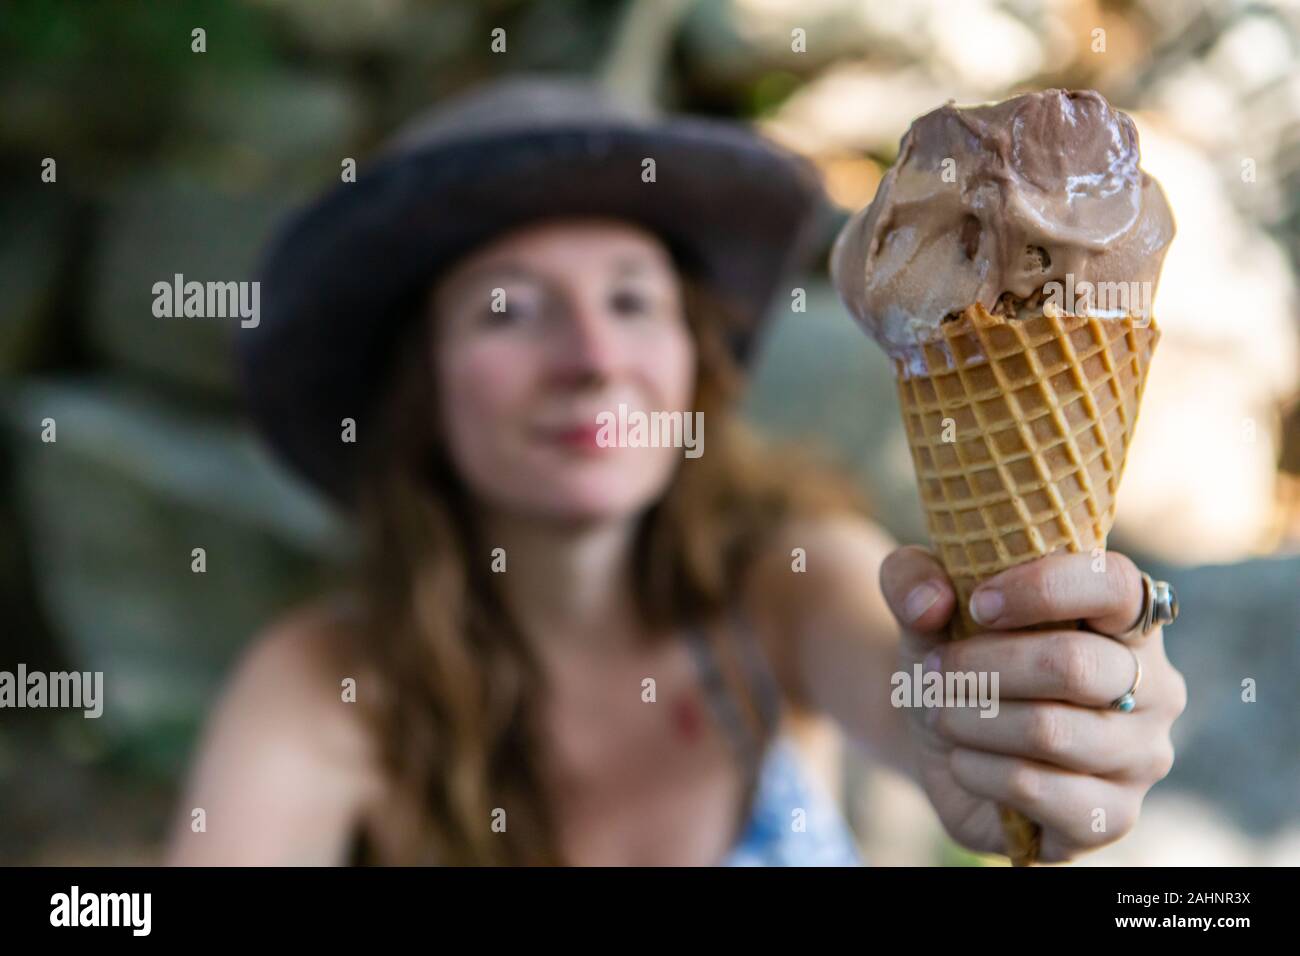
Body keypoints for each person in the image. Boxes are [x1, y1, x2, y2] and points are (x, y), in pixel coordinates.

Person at [164, 75, 1186, 866]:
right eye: (508, 309)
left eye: (631, 300)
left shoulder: (785, 584)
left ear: (692, 360)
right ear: (419, 389)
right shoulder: (329, 688)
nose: (593, 358)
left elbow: (913, 689)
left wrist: (1013, 733)